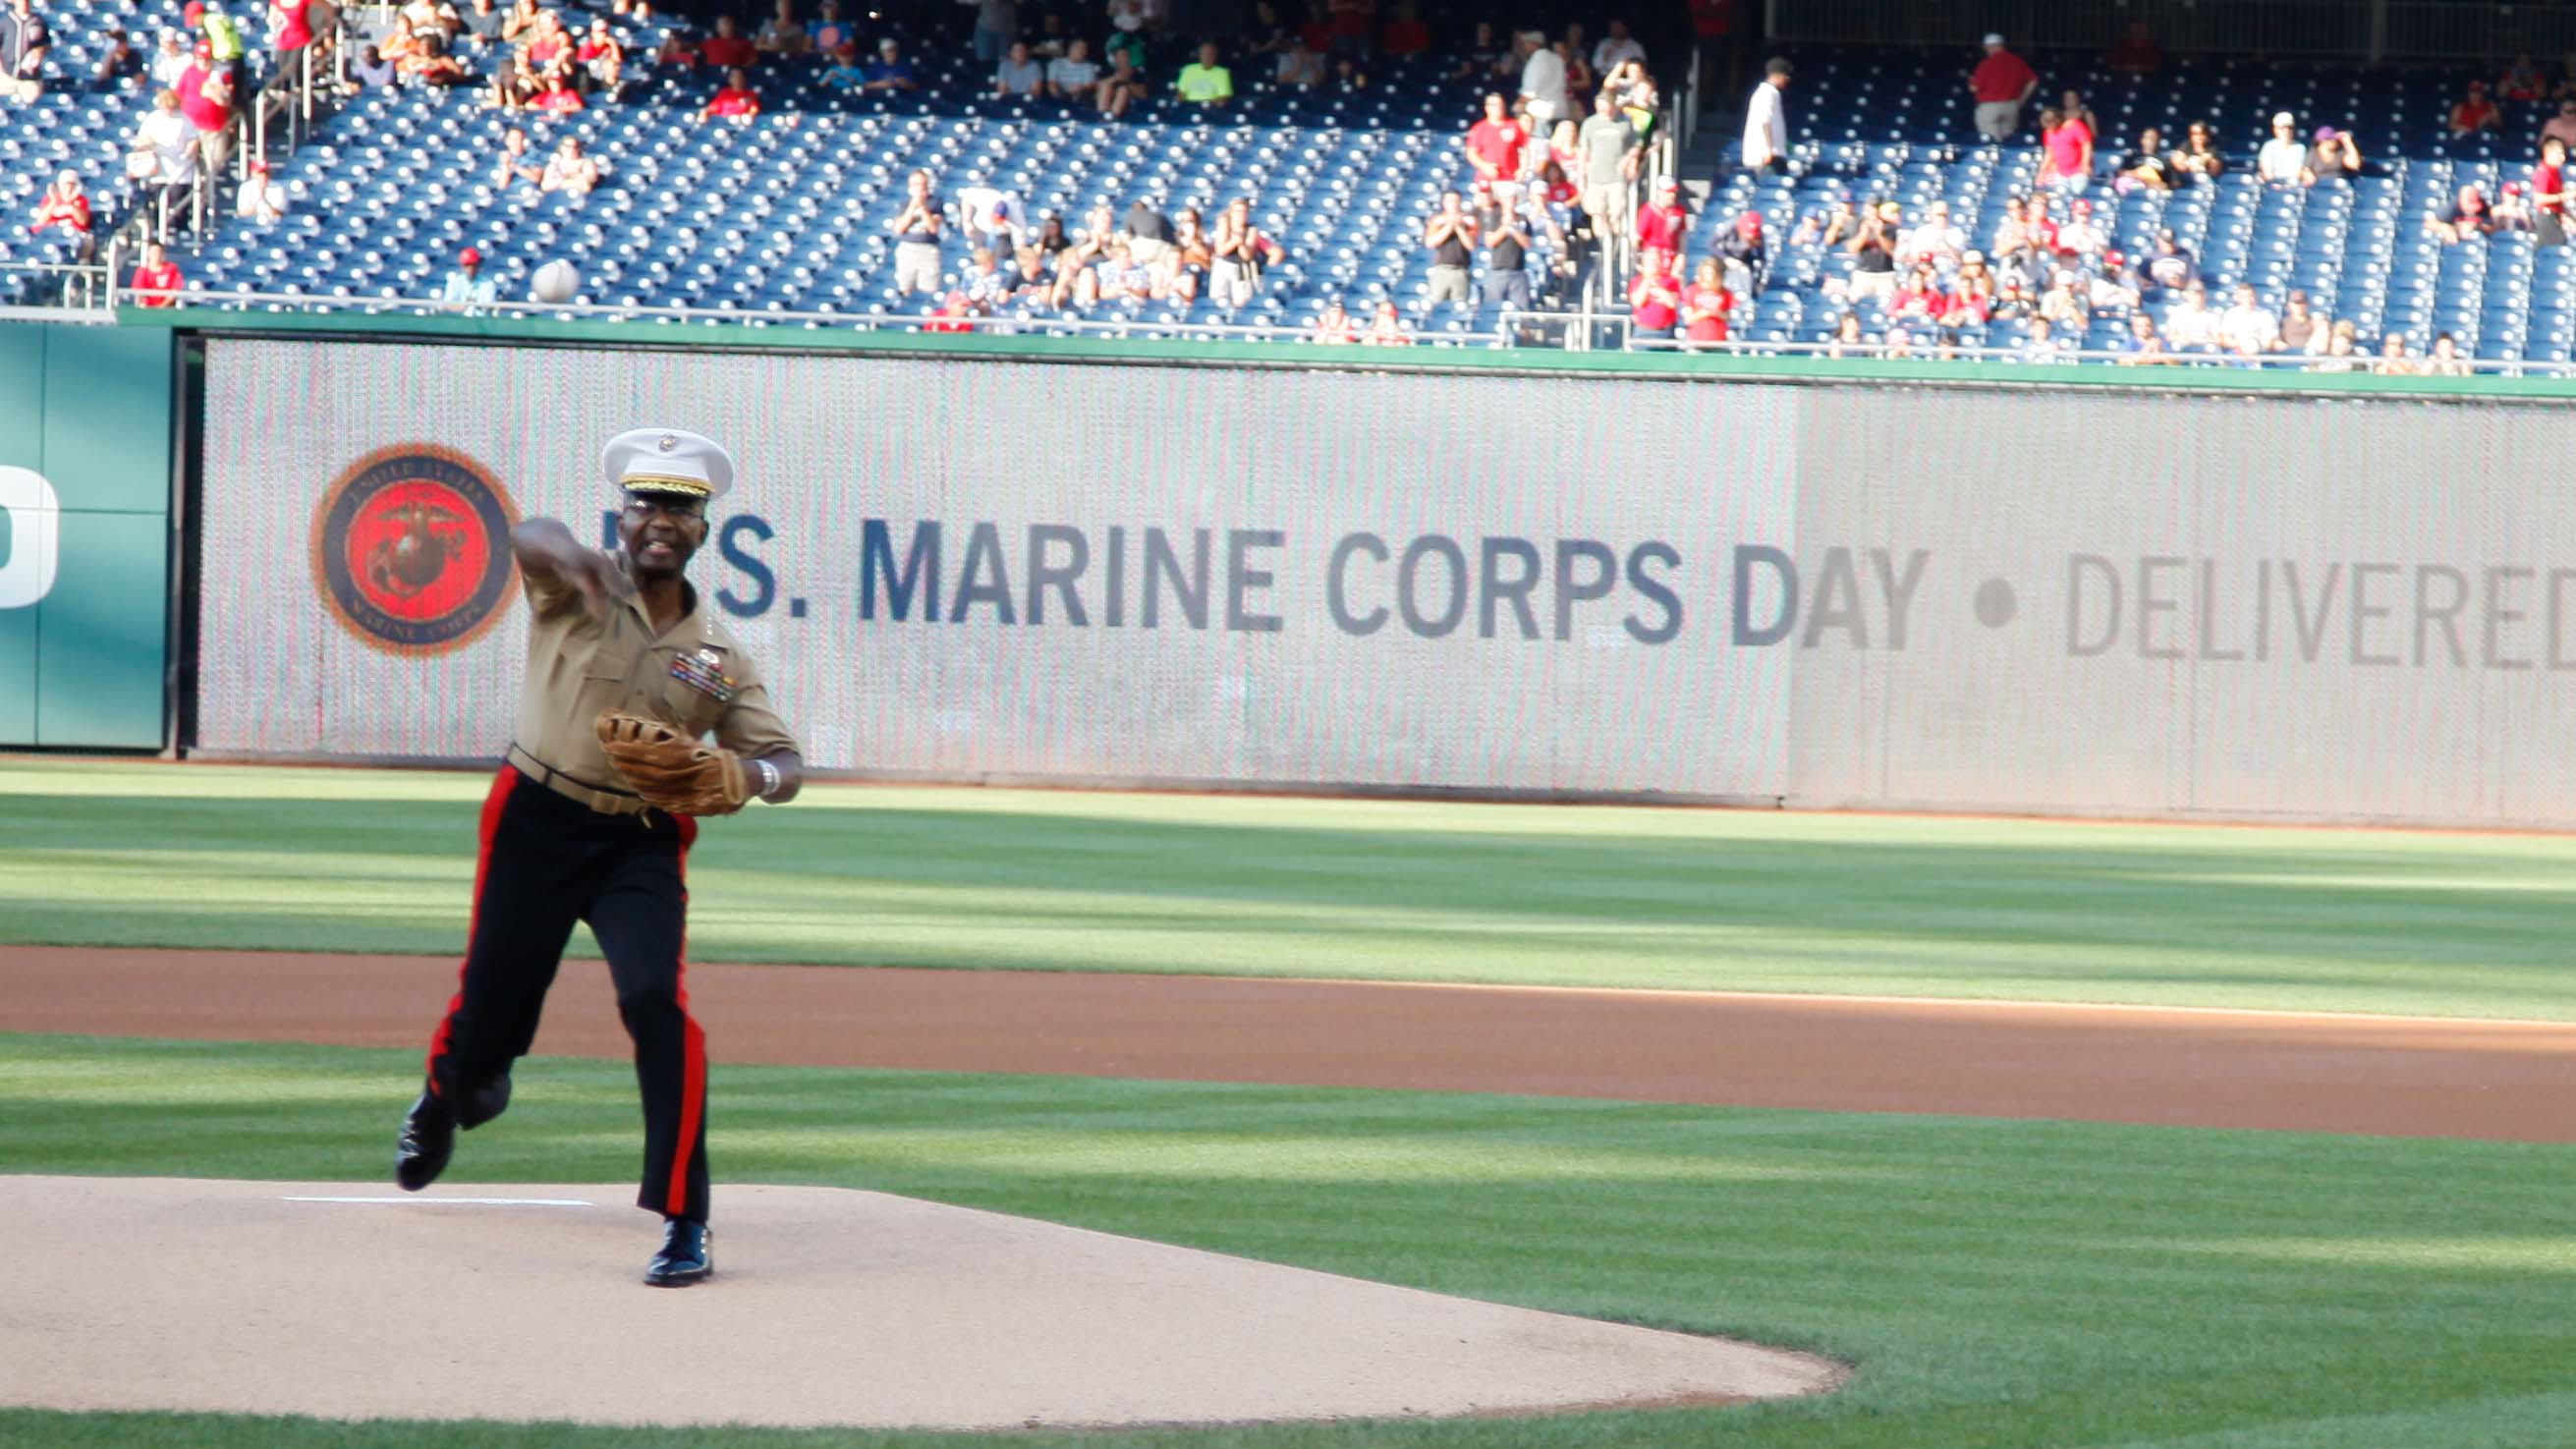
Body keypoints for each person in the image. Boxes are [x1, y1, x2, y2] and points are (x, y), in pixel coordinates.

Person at [394, 429, 806, 1291]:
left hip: (639, 839)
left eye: (680, 507)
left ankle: (686, 1217)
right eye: (645, 503)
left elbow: (788, 766)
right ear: (621, 516)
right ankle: (447, 1096)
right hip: (536, 816)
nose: (661, 519)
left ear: (704, 528)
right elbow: (528, 533)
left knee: (656, 998)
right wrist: (579, 561)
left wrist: (750, 772)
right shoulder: (573, 586)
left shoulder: (718, 658)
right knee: (492, 1013)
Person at [1577, 88, 1639, 240]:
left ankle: (1616, 245)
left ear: (1613, 105)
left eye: (1606, 107)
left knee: (1616, 213)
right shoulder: (1589, 124)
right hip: (1595, 176)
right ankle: (1603, 245)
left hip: (1616, 177)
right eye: (1600, 107)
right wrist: (1581, 176)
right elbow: (1583, 151)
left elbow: (1636, 146)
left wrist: (1629, 162)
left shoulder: (1625, 122)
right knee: (1598, 213)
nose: (1604, 111)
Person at [1208, 195, 1280, 309]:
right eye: (1237, 212)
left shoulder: (1252, 230)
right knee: (1218, 298)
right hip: (1224, 264)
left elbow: (1247, 255)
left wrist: (1240, 243)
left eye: (1244, 212)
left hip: (1243, 266)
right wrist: (1234, 241)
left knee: (1242, 300)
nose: (1241, 215)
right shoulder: (1224, 226)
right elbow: (1220, 251)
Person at [1969, 33, 2037, 142]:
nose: (1987, 51)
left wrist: (1971, 80)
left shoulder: (1986, 64)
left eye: (1988, 48)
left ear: (1992, 47)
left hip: (1989, 107)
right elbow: (2033, 81)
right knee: (2008, 141)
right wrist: (2022, 100)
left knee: (1991, 142)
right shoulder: (2017, 61)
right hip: (2011, 105)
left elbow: (1974, 88)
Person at [889, 169, 942, 295]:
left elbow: (933, 228)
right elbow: (899, 228)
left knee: (929, 286)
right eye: (916, 184)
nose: (920, 187)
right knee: (906, 285)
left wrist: (923, 206)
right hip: (908, 248)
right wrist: (913, 206)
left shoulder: (935, 202)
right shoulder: (904, 203)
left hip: (927, 248)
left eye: (923, 184)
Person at [1422, 190, 1475, 311]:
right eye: (1450, 201)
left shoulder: (1468, 221)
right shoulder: (1437, 221)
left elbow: (1471, 245)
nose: (1454, 204)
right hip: (1442, 269)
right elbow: (1430, 242)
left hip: (1460, 270)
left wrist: (1459, 227)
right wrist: (1449, 226)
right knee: (1436, 305)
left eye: (1456, 201)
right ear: (1444, 203)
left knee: (1460, 307)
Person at [1463, 91, 1528, 193]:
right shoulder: (1479, 128)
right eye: (1494, 105)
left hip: (1510, 178)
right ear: (1487, 108)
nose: (1498, 108)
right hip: (1487, 179)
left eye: (1500, 105)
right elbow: (1471, 153)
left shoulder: (1514, 125)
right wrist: (1484, 166)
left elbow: (1524, 149)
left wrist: (1523, 169)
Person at [1482, 198, 1532, 312]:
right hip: (1497, 271)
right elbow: (1490, 242)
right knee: (1493, 309)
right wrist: (1505, 227)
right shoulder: (1494, 217)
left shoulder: (1522, 219)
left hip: (1518, 271)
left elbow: (1527, 244)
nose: (1510, 202)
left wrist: (1513, 229)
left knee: (1521, 311)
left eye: (1513, 199)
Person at [1741, 55, 1788, 177]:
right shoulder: (1767, 93)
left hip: (1769, 155)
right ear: (1777, 75)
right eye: (1785, 75)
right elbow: (1765, 121)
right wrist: (1769, 150)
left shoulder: (1765, 92)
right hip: (1766, 157)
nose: (1787, 79)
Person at [2, 0, 51, 103]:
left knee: (31, 101)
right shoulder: (5, 22)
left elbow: (46, 44)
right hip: (6, 75)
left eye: (26, 1)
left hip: (29, 79)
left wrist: (39, 51)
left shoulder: (38, 22)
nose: (24, 3)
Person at [1634, 173, 1687, 267]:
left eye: (1674, 192)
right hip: (1653, 259)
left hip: (1671, 258)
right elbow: (1638, 238)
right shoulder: (1649, 210)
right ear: (1660, 192)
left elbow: (1682, 234)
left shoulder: (1679, 211)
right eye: (1669, 192)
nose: (1672, 195)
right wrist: (1638, 259)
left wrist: (1681, 255)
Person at [1515, 28, 1563, 128]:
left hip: (1542, 115)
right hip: (1561, 111)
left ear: (1533, 44)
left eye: (1526, 44)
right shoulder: (1557, 58)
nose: (1524, 47)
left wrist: (1516, 106)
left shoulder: (1537, 60)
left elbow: (1529, 93)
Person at [1627, 247, 1680, 336]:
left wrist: (1656, 290)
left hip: (1665, 332)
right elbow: (1637, 301)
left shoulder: (1671, 281)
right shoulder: (1636, 281)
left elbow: (1672, 303)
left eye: (1656, 259)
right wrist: (1647, 281)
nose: (1653, 262)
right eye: (1650, 260)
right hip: (1642, 331)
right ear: (1644, 262)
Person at [1680, 257, 1731, 348]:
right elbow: (1688, 319)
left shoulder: (1725, 293)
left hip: (1719, 340)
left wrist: (1717, 313)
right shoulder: (1692, 290)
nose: (1710, 276)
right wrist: (1703, 313)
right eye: (1707, 273)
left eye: (1713, 272)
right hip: (1697, 340)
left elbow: (1728, 316)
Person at [2038, 105, 2092, 190]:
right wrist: (2042, 171)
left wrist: (2085, 164)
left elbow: (2086, 145)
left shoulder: (2074, 125)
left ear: (2057, 119)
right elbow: (2049, 153)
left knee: (2077, 195)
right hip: (2060, 172)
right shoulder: (2048, 132)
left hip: (2078, 171)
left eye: (2049, 123)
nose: (2048, 126)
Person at [27, 167, 88, 241]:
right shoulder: (49, 199)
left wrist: (71, 203)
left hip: (72, 234)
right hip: (51, 234)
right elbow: (41, 220)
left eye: (72, 184)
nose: (68, 188)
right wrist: (54, 201)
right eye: (66, 184)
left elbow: (82, 221)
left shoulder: (80, 200)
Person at [1175, 41, 1232, 107]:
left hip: (1211, 108)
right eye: (1204, 53)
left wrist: (1207, 103)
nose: (1207, 56)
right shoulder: (1188, 69)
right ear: (1200, 55)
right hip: (1189, 106)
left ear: (1215, 55)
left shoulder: (1222, 73)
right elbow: (1180, 93)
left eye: (1210, 54)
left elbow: (1223, 99)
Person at [2538, 136, 2571, 246]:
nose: (2563, 158)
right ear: (2548, 154)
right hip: (2547, 216)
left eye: (2563, 154)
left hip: (2556, 215)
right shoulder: (2544, 172)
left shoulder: (2555, 171)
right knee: (2553, 248)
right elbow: (2540, 199)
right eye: (2559, 154)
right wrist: (2565, 196)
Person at [2257, 112, 2307, 184]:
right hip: (2272, 185)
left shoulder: (2300, 148)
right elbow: (2267, 171)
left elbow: (2299, 172)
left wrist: (2289, 185)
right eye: (2282, 128)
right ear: (2275, 129)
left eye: (2290, 128)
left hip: (2293, 186)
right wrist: (2274, 184)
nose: (2286, 131)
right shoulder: (2268, 146)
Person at [131, 240, 183, 306]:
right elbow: (138, 293)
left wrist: (161, 307)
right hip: (147, 309)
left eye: (158, 252)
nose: (156, 254)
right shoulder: (142, 271)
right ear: (148, 253)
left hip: (167, 310)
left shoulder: (172, 269)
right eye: (153, 252)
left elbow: (175, 290)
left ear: (162, 254)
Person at [234, 156, 287, 220]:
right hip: (250, 223)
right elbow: (242, 213)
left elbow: (280, 214)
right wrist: (258, 199)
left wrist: (266, 201)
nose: (263, 175)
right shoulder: (245, 187)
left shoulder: (278, 187)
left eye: (266, 172)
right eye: (260, 173)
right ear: (253, 173)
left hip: (273, 224)